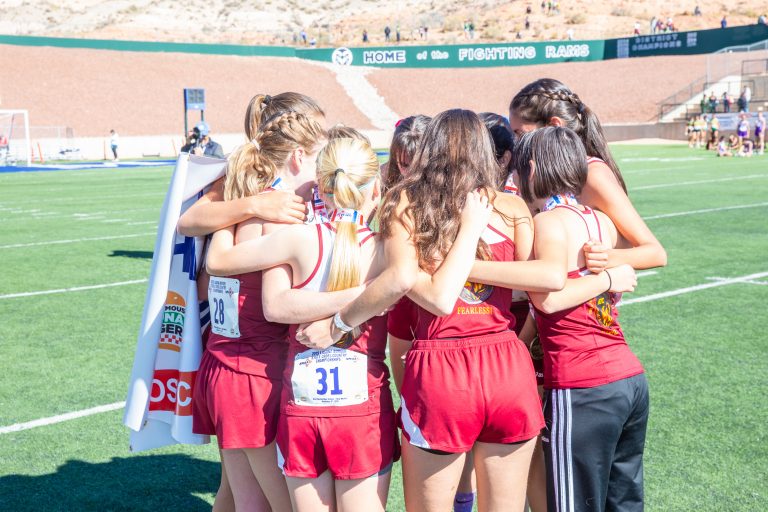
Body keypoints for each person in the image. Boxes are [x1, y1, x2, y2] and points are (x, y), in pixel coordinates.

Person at [298, 110, 554, 511]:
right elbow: (541, 288)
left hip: (442, 369)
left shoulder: (405, 203)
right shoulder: (509, 207)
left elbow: (426, 292)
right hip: (506, 364)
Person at [205, 137, 398, 511]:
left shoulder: (295, 238)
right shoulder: (388, 249)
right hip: (363, 412)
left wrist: (236, 202)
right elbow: (407, 282)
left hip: (303, 411)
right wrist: (362, 296)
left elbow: (234, 273)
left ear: (321, 186)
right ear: (376, 187)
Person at [192, 110, 336, 512]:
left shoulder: (246, 203)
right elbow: (271, 302)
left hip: (225, 365)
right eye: (319, 160)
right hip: (254, 372)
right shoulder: (283, 213)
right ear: (297, 158)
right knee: (277, 506)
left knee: (241, 499)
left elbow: (212, 275)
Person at [513, 126, 646, 512]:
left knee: (572, 504)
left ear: (533, 169)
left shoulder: (548, 223)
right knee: (622, 501)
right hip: (628, 378)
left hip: (584, 385)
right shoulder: (600, 220)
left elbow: (550, 302)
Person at [507, 78, 667, 272]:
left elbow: (655, 252)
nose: (516, 143)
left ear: (554, 125)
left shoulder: (592, 175)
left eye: (520, 134)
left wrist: (604, 257)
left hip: (584, 297)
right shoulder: (538, 174)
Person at [177, 92, 325, 238]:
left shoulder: (311, 176)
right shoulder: (250, 173)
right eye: (316, 131)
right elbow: (187, 221)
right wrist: (256, 205)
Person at [382, 115, 431, 191]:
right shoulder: (385, 174)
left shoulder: (451, 181)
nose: (413, 174)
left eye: (420, 165)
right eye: (404, 165)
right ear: (395, 158)